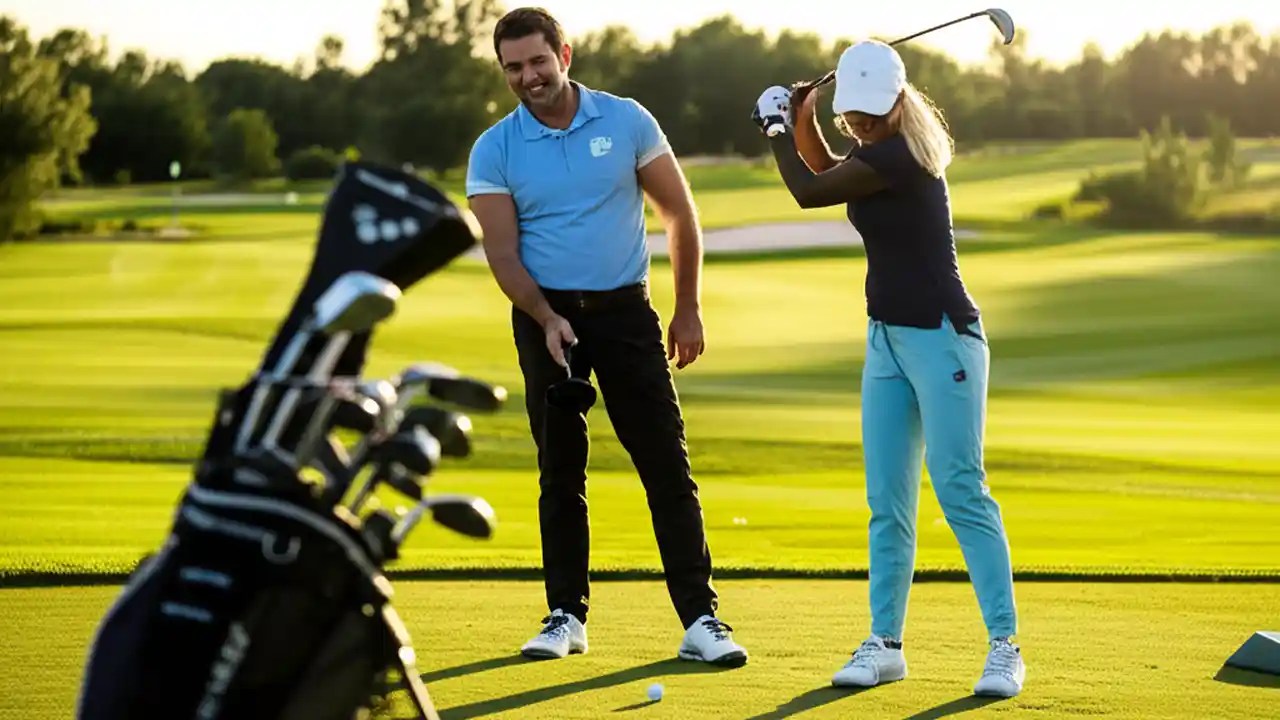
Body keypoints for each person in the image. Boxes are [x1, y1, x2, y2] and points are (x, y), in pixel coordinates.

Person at [465, 7, 747, 667]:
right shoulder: (495, 149)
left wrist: (687, 308)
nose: (528, 77)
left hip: (625, 314)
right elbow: (503, 255)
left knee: (665, 464)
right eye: (513, 67)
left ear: (564, 53)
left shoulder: (626, 120)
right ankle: (566, 614)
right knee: (560, 470)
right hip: (546, 319)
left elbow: (679, 213)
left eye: (537, 61)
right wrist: (545, 316)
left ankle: (702, 620)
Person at [750, 40, 1025, 697]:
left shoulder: (902, 156)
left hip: (942, 339)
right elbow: (828, 169)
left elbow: (809, 191)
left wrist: (775, 125)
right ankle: (886, 645)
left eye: (873, 116)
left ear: (899, 103)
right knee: (888, 503)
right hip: (887, 344)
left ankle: (1005, 647)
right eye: (856, 118)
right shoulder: (873, 155)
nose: (865, 127)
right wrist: (806, 121)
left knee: (961, 489)